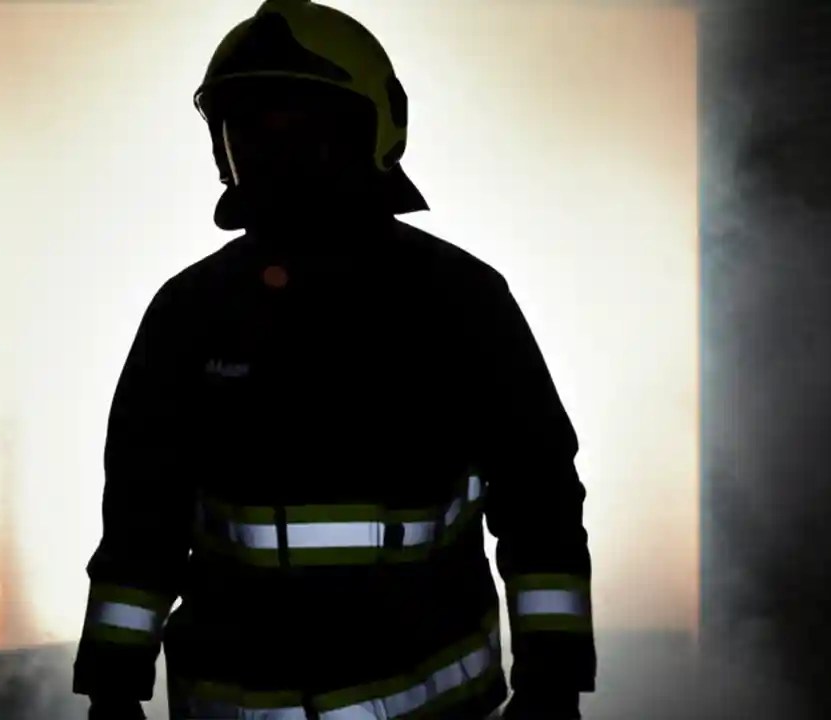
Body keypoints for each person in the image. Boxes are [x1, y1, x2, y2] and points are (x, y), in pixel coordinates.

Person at [72, 1, 595, 718]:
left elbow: (541, 502)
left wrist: (552, 686)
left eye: (303, 127)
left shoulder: (460, 302)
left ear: (373, 132)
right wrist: (111, 690)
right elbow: (140, 523)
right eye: (249, 128)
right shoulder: (189, 314)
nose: (273, 152)